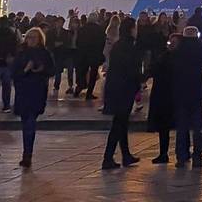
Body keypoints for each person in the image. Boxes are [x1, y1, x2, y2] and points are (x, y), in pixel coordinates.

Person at [102, 16, 143, 169]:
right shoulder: (128, 46)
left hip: (118, 88)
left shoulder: (121, 45)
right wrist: (138, 81)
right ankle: (108, 157)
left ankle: (125, 155)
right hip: (123, 89)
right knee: (119, 123)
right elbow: (130, 68)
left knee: (121, 123)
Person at [171, 25, 202, 167]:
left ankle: (181, 156)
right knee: (198, 127)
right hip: (198, 92)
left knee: (182, 126)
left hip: (181, 92)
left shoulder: (178, 50)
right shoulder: (200, 48)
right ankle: (197, 156)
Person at [11, 26, 54, 168]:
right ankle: (27, 151)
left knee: (30, 122)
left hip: (37, 90)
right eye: (29, 37)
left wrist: (42, 69)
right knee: (26, 122)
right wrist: (25, 70)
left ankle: (27, 153)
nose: (30, 40)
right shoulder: (22, 53)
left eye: (34, 38)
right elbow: (15, 72)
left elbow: (51, 70)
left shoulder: (44, 53)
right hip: (23, 90)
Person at [144, 31, 179, 164]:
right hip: (165, 96)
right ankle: (165, 153)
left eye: (174, 43)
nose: (170, 45)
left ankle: (179, 153)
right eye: (170, 42)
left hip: (168, 95)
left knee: (172, 126)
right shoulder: (164, 56)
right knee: (165, 127)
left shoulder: (169, 58)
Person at [74, 15, 106, 100]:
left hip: (83, 55)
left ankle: (79, 88)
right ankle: (89, 93)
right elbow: (103, 42)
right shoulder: (100, 30)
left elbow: (77, 42)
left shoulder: (82, 29)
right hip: (95, 55)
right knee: (93, 74)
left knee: (82, 73)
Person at [0, 16, 19, 113]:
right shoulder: (11, 33)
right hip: (6, 61)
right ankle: (6, 104)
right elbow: (14, 46)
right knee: (6, 83)